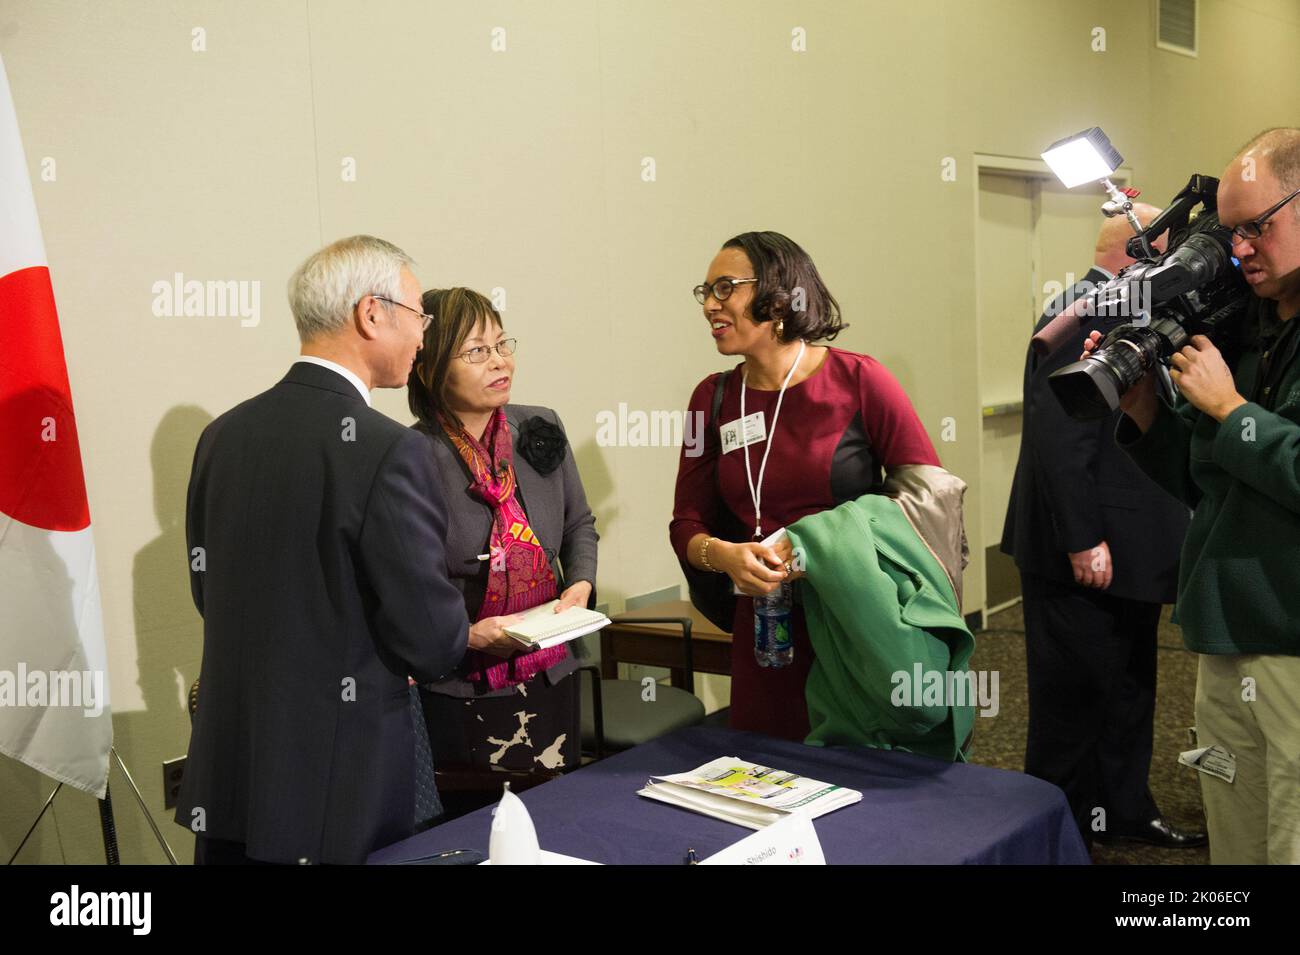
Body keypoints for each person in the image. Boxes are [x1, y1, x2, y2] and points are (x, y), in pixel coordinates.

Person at [175, 235, 469, 865]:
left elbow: (211, 594)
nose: (423, 337)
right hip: (343, 785)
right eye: (419, 315)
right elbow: (433, 639)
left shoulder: (221, 436)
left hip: (236, 777)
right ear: (372, 313)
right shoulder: (391, 449)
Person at [1089, 128, 1300, 864]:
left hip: (1292, 644)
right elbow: (1202, 482)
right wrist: (1150, 410)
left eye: (1257, 227)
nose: (1240, 249)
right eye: (1230, 229)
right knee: (1236, 846)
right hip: (1223, 633)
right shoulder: (1245, 324)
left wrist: (1232, 410)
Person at [670, 231, 940, 741]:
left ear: (777, 294)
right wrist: (723, 555)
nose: (710, 305)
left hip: (858, 618)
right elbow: (686, 522)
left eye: (725, 287)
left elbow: (929, 498)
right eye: (704, 291)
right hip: (765, 626)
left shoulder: (861, 380)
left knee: (864, 779)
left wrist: (820, 542)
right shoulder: (712, 397)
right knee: (768, 771)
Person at [1001, 205, 1206, 849]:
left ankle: (1123, 810)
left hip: (1134, 551)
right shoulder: (1080, 312)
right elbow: (1061, 438)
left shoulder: (1130, 309)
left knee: (1128, 689)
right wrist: (1082, 537)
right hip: (1084, 547)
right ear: (1141, 251)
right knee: (1072, 702)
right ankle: (1058, 834)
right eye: (1172, 252)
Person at [407, 288, 597, 814]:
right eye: (476, 351)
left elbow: (580, 523)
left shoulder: (539, 426)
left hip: (550, 667)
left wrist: (579, 584)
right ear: (428, 369)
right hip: (463, 681)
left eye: (501, 344)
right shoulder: (411, 457)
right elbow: (407, 581)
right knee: (481, 828)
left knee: (558, 817)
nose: (499, 361)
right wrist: (468, 636)